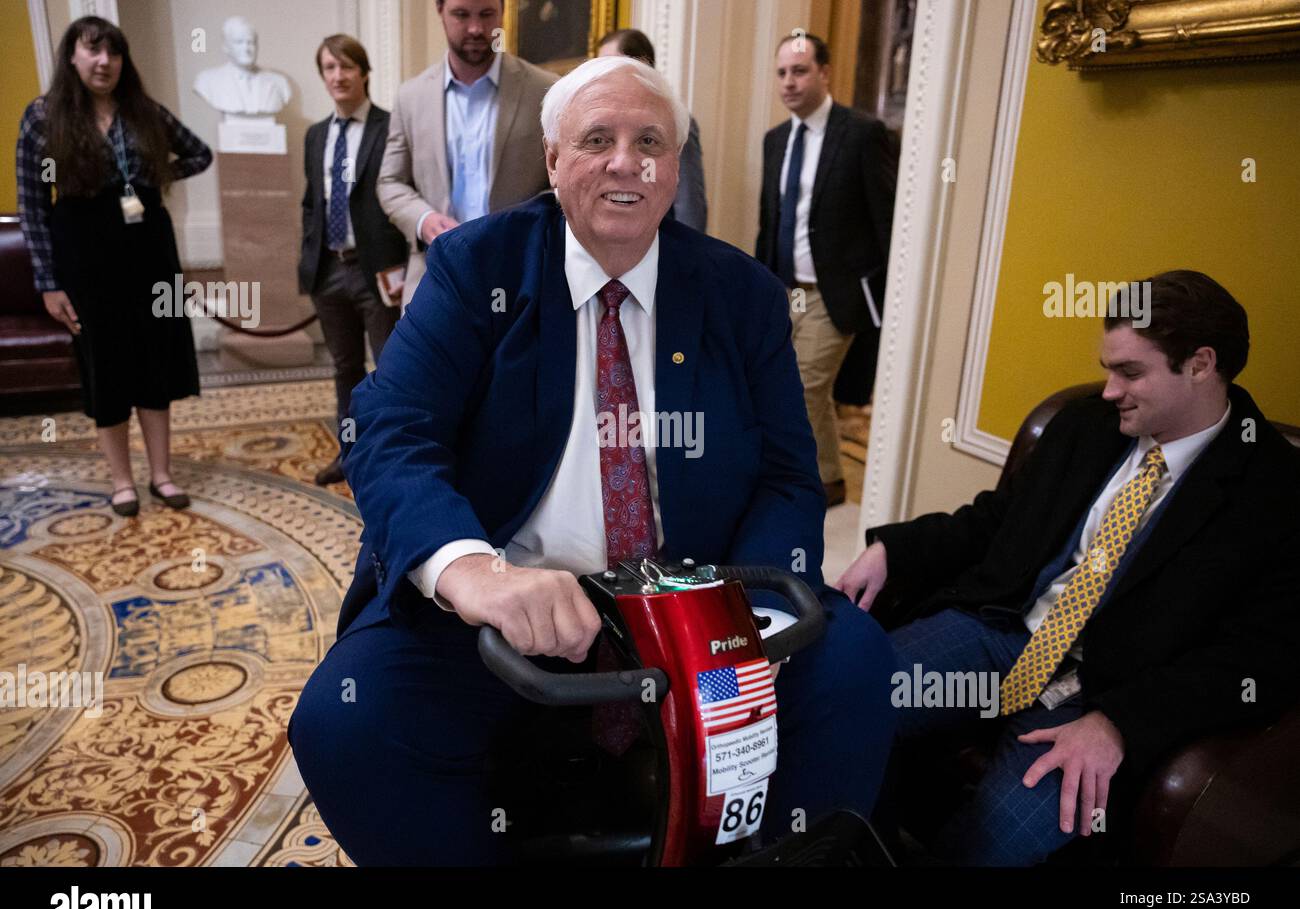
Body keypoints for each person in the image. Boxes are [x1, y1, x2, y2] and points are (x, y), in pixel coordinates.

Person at [289, 55, 897, 865]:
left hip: (695, 615)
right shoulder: (478, 269)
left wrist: (747, 621)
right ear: (551, 160)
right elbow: (390, 431)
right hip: (516, 609)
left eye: (650, 140)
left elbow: (789, 473)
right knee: (344, 720)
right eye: (597, 139)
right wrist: (477, 575)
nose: (625, 161)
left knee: (853, 662)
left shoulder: (740, 294)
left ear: (674, 167)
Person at [837, 270, 1300, 865]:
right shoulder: (1086, 424)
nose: (1109, 390)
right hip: (1003, 635)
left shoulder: (1274, 493)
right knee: (843, 702)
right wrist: (894, 550)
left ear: (1201, 364)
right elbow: (998, 519)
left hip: (1102, 689)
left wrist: (1121, 723)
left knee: (997, 842)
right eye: (1108, 368)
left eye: (1130, 373)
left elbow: (1259, 657)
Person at [16, 16, 212, 516]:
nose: (105, 62)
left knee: (155, 362)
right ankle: (122, 481)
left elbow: (199, 153)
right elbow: (34, 205)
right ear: (73, 57)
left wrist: (155, 173)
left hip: (150, 253)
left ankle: (162, 475)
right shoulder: (43, 117)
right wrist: (47, 283)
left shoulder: (143, 111)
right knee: (105, 368)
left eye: (114, 53)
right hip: (84, 256)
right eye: (93, 51)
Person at [755, 33, 895, 507]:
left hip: (835, 294)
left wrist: (884, 296)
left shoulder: (860, 133)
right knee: (786, 384)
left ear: (824, 73)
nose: (789, 82)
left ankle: (824, 482)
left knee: (806, 383)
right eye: (781, 73)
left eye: (800, 71)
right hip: (784, 288)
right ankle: (813, 471)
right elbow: (769, 220)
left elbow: (887, 219)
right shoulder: (775, 140)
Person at [377, 0, 556, 307]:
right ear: (440, 13)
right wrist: (424, 219)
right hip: (433, 278)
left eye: (486, 14)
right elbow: (390, 181)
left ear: (502, 13)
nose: (475, 28)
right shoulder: (411, 96)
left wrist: (516, 229)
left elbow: (562, 183)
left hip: (520, 279)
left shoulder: (546, 90)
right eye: (461, 15)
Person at [299, 35, 408, 487]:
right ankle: (349, 453)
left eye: (347, 67)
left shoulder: (390, 126)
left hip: (378, 270)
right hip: (329, 269)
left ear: (364, 72)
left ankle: (389, 458)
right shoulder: (316, 134)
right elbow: (313, 202)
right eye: (329, 68)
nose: (338, 77)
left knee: (389, 370)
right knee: (344, 369)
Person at [597, 28, 708, 232]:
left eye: (611, 65)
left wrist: (686, 258)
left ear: (641, 67)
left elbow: (689, 203)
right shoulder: (597, 123)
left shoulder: (674, 121)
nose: (601, 75)